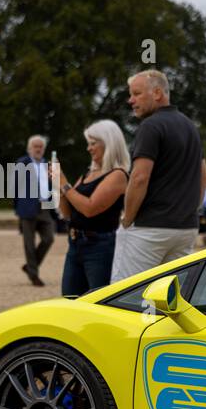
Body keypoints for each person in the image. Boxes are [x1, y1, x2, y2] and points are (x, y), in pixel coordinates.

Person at [113, 69, 206, 284]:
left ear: (157, 93)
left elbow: (139, 178)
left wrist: (127, 220)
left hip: (149, 227)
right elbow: (205, 178)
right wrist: (188, 211)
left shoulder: (151, 126)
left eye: (136, 94)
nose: (130, 100)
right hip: (185, 228)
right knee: (171, 299)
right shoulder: (190, 126)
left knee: (127, 296)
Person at [56, 119, 129, 296]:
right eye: (88, 143)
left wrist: (65, 184)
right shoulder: (88, 173)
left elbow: (90, 208)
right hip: (75, 243)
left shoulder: (118, 175)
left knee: (98, 300)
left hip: (99, 246)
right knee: (69, 299)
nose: (89, 148)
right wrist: (59, 189)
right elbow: (68, 213)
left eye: (93, 143)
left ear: (109, 143)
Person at [15, 134, 57, 287]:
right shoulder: (22, 163)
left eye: (41, 147)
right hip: (27, 208)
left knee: (49, 238)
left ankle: (30, 266)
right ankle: (34, 275)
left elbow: (52, 185)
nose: (38, 149)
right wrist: (18, 208)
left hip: (45, 207)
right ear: (29, 148)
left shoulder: (48, 164)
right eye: (35, 146)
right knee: (29, 243)